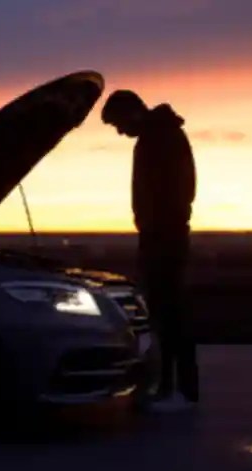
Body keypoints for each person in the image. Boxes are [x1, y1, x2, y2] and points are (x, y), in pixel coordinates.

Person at [102, 89, 199, 411]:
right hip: (160, 234)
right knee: (164, 314)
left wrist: (157, 228)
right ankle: (174, 388)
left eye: (118, 123)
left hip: (165, 237)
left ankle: (179, 391)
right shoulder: (158, 136)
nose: (119, 131)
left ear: (132, 112)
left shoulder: (163, 138)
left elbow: (179, 188)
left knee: (169, 315)